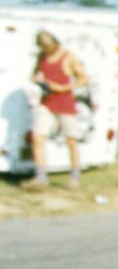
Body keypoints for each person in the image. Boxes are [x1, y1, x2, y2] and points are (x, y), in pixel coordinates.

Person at [27, 29, 89, 190]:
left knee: (71, 140)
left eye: (48, 47)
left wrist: (63, 87)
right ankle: (41, 177)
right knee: (37, 137)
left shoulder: (68, 57)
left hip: (65, 102)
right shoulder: (41, 57)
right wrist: (37, 80)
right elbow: (34, 74)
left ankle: (74, 176)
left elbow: (84, 79)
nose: (47, 51)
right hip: (47, 101)